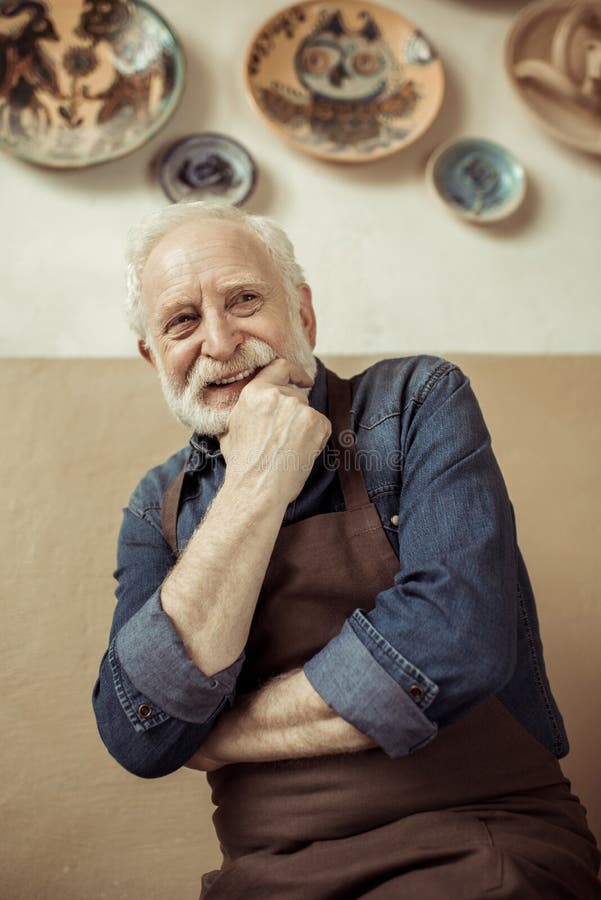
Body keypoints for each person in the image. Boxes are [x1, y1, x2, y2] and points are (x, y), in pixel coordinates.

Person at [93, 200, 601, 899]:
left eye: (244, 300)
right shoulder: (157, 506)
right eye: (182, 321)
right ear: (154, 355)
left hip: (478, 838)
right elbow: (138, 734)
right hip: (265, 875)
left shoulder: (415, 403)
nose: (219, 341)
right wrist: (257, 478)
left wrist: (215, 733)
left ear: (302, 315)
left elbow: (453, 646)